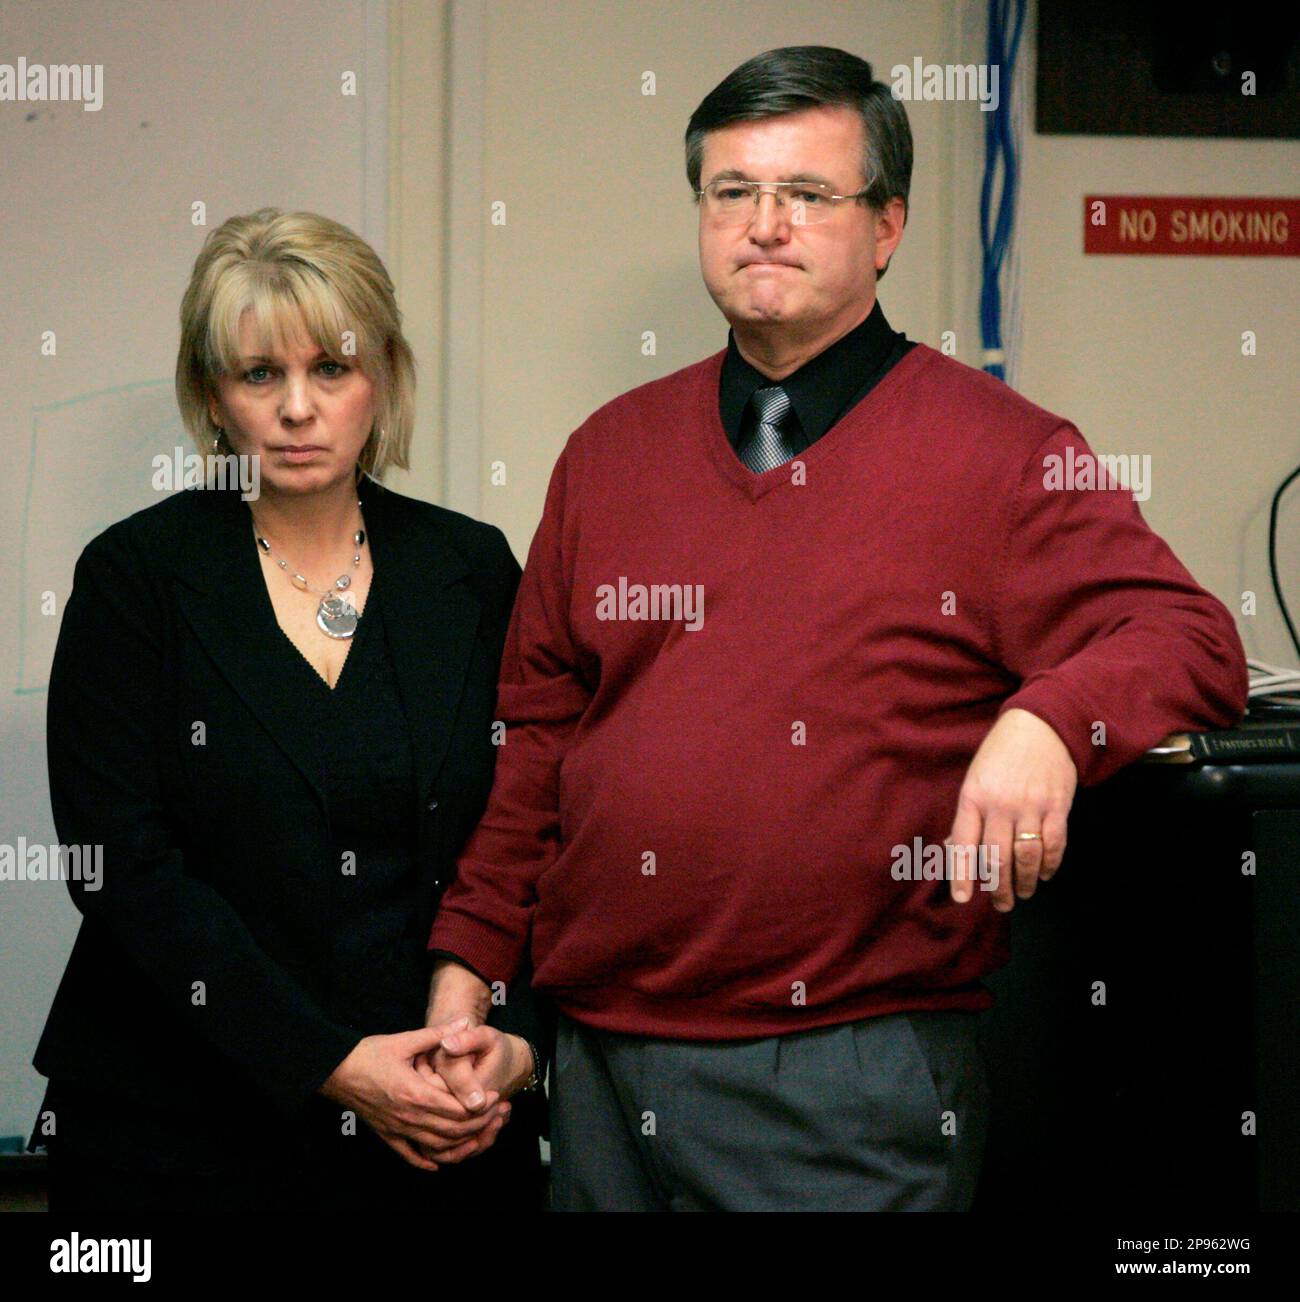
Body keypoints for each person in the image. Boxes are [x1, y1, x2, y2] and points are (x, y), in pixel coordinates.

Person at [422, 46, 1250, 1212]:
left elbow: (1188, 638)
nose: (765, 224)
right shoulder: (605, 455)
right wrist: (467, 986)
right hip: (597, 1058)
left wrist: (1047, 720)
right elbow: (536, 745)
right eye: (732, 192)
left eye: (809, 194)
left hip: (844, 1073)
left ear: (887, 227)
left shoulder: (1001, 453)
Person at [28, 208, 550, 1213]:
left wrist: (506, 1039)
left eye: (333, 370)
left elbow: (531, 822)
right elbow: (121, 868)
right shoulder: (136, 578)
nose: (298, 409)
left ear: (385, 377)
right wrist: (330, 1062)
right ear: (213, 396)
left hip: (438, 1113)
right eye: (260, 375)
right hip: (177, 1121)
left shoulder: (469, 568)